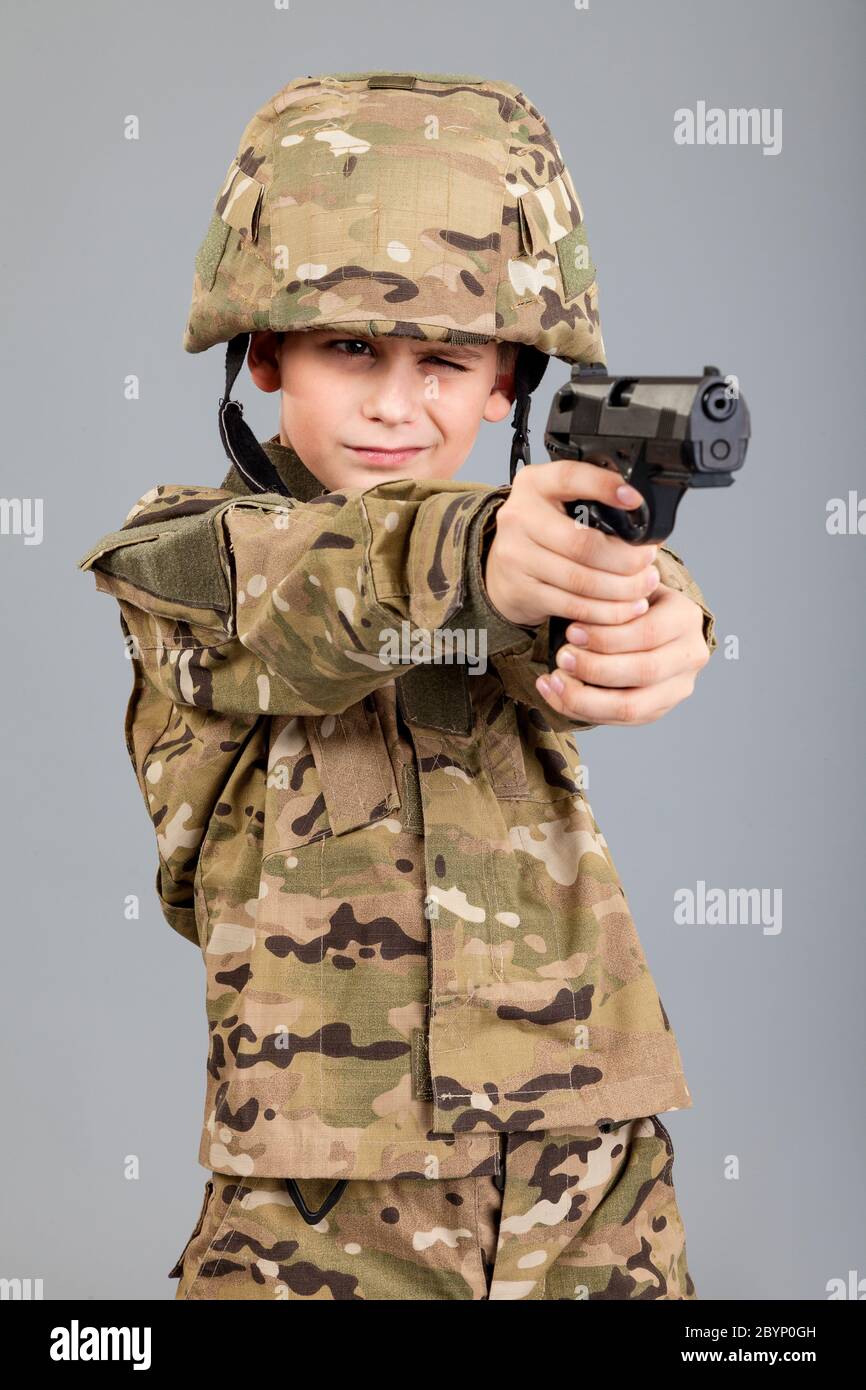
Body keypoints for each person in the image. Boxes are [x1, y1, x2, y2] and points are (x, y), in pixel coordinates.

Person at [77, 70, 716, 1300]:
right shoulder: (183, 560)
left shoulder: (516, 558)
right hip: (320, 1205)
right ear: (264, 353)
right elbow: (326, 589)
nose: (393, 402)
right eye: (349, 347)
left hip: (592, 1172)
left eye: (446, 358)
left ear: (506, 384)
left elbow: (552, 606)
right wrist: (483, 556)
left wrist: (658, 606)